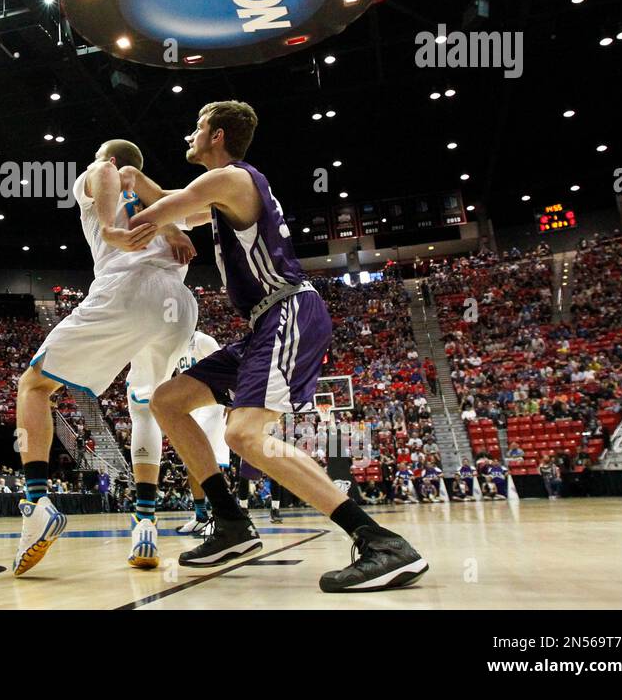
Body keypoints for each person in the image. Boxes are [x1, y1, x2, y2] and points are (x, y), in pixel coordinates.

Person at [128, 100, 427, 591]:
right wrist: (128, 175)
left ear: (218, 135)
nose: (190, 135)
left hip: (288, 311)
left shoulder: (232, 178)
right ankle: (229, 524)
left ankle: (380, 542)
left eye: (197, 128)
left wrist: (110, 213)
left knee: (243, 436)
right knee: (168, 400)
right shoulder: (223, 189)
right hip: (264, 322)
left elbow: (158, 214)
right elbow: (173, 206)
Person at [12, 139, 198, 576]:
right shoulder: (166, 200)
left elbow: (105, 174)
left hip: (127, 290)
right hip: (178, 308)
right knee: (147, 408)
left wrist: (110, 226)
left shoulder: (101, 173)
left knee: (34, 385)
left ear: (110, 159)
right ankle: (145, 523)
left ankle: (35, 502)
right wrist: (169, 219)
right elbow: (210, 208)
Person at [169, 329, 233, 537]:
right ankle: (201, 516)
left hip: (212, 404)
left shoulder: (203, 340)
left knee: (207, 458)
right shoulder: (175, 343)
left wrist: (232, 399)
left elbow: (227, 368)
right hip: (192, 406)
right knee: (190, 458)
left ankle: (221, 516)